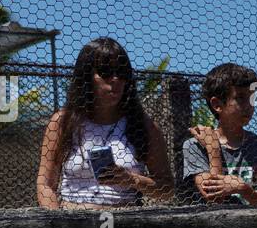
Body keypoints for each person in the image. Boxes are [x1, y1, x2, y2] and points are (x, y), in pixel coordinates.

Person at [36, 38, 174, 209]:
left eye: (122, 72)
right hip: (74, 223)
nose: (115, 79)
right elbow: (45, 185)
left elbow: (167, 189)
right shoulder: (63, 122)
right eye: (106, 71)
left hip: (126, 224)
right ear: (86, 76)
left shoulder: (143, 125)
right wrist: (57, 224)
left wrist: (132, 180)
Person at [179, 63, 257, 206]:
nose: (249, 106)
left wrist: (244, 189)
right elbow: (215, 199)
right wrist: (213, 148)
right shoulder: (195, 146)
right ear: (217, 105)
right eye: (240, 98)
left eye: (252, 98)